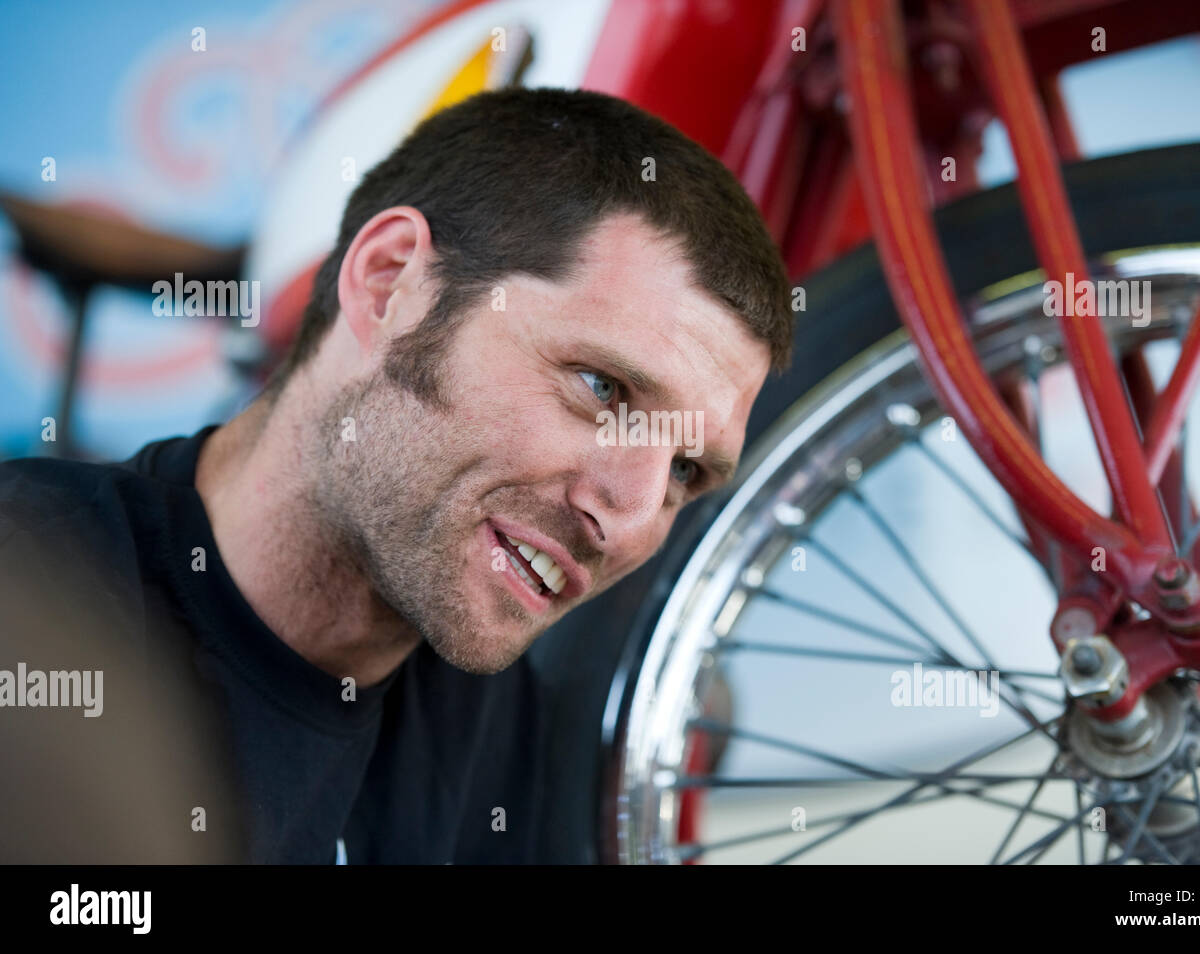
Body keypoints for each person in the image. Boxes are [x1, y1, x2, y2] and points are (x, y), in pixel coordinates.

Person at [0, 86, 793, 863]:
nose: (629, 516)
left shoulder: (514, 742)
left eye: (686, 467)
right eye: (600, 388)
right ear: (390, 283)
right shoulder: (31, 599)